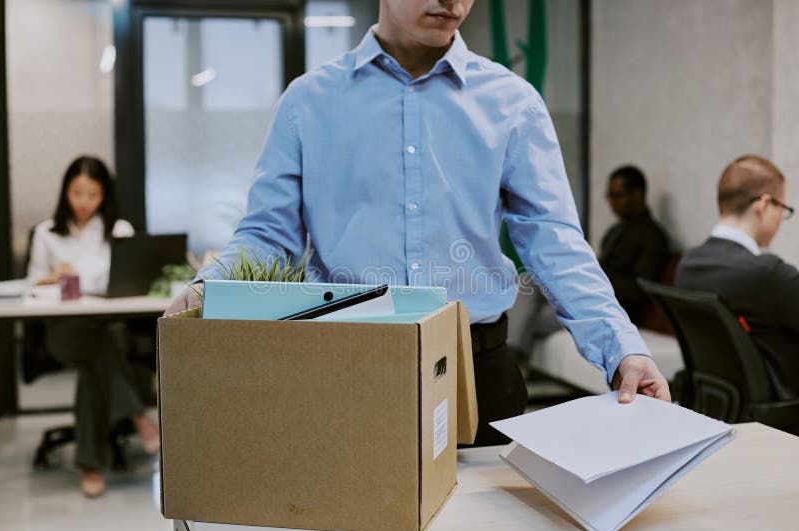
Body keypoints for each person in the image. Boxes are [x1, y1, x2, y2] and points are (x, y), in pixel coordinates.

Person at [167, 0, 671, 445]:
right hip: (344, 368)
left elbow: (554, 241)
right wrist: (208, 287)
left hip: (477, 373)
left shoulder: (512, 102)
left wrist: (621, 349)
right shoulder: (309, 102)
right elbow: (268, 235)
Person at [26, 155, 160, 497]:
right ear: (65, 192)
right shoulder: (46, 233)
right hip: (64, 331)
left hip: (110, 326)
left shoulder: (119, 231)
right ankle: (138, 418)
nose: (83, 203)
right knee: (94, 345)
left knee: (94, 363)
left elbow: (130, 281)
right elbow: (30, 286)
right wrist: (50, 279)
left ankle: (90, 464)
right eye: (76, 193)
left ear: (105, 196)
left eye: (93, 195)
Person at [676, 155, 799, 397]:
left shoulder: (688, 264)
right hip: (781, 417)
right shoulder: (767, 274)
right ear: (764, 204)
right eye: (782, 208)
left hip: (719, 406)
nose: (780, 220)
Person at [599, 165, 670, 325]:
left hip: (616, 310)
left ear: (638, 194)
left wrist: (599, 281)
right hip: (596, 301)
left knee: (537, 310)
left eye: (617, 195)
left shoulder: (653, 236)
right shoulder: (615, 230)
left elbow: (641, 289)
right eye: (609, 196)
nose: (611, 202)